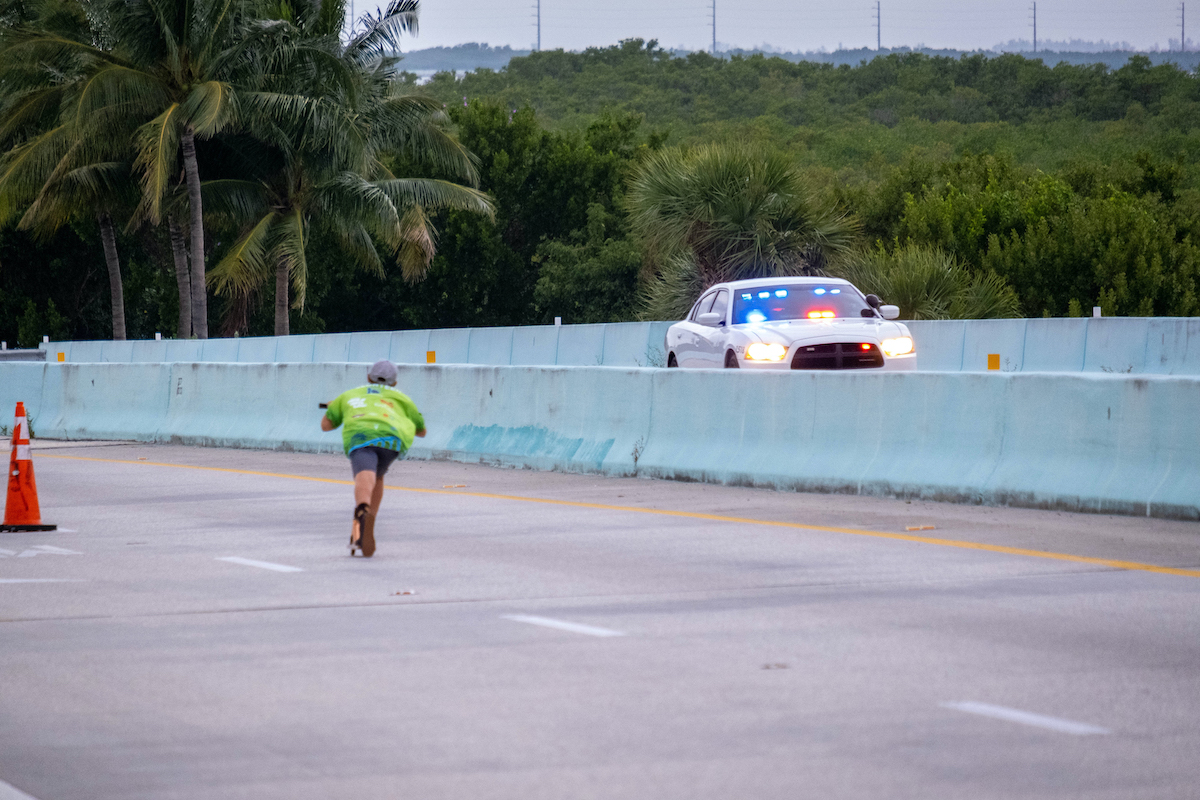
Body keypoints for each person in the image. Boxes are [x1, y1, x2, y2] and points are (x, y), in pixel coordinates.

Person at [321, 360, 426, 557]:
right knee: (377, 476)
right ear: (394, 383)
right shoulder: (402, 399)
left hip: (361, 435)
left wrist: (333, 407)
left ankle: (361, 520)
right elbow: (421, 431)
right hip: (392, 441)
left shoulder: (349, 395)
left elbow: (326, 425)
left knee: (363, 474)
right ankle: (368, 523)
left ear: (368, 377)